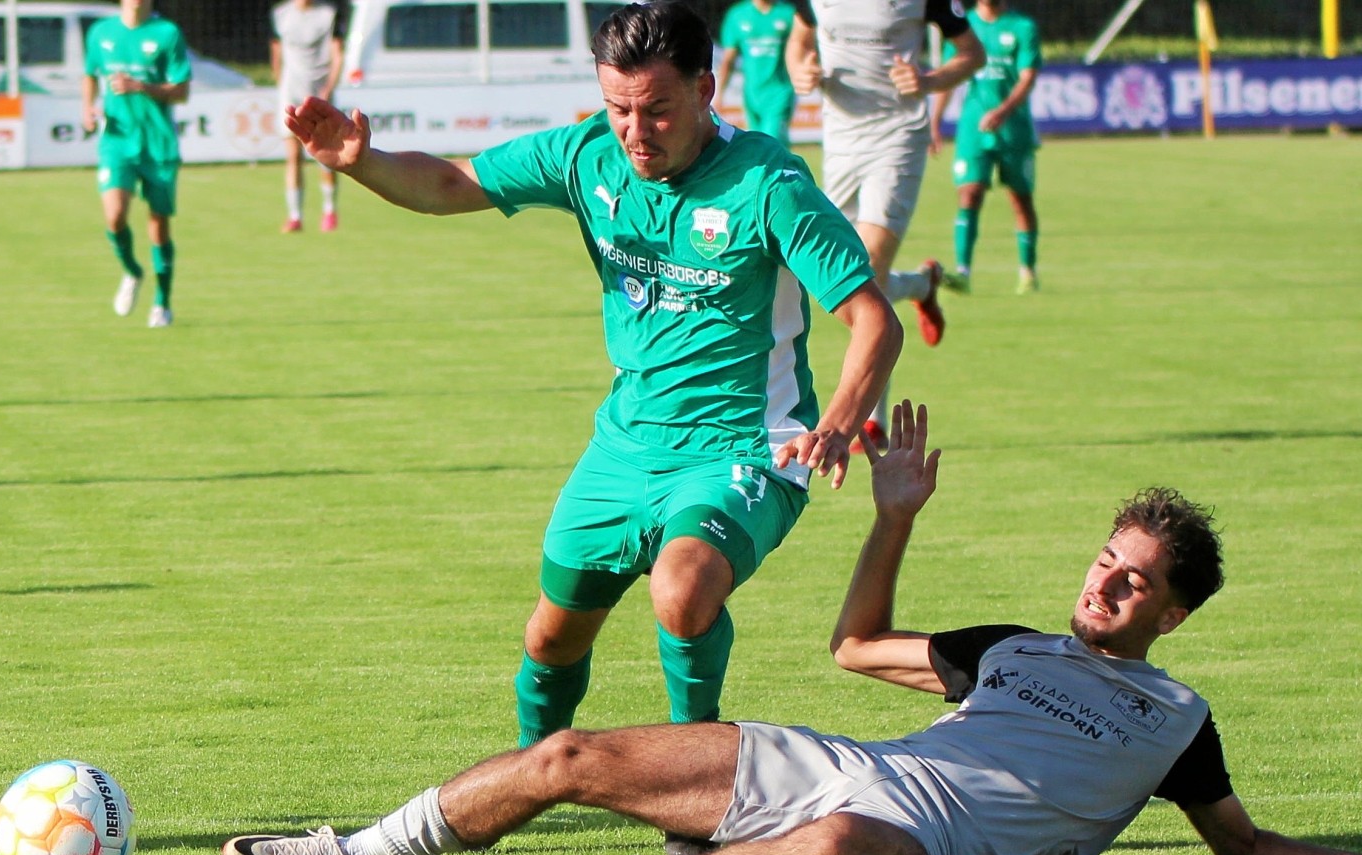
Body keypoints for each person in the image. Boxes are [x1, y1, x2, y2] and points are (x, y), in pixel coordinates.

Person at [220, 400, 1362, 855]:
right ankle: (352, 854)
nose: (1105, 582)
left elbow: (1243, 848)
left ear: (1171, 614)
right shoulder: (1011, 647)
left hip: (937, 844)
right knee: (571, 755)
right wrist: (893, 516)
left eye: (1134, 580)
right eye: (1104, 558)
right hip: (849, 763)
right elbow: (857, 646)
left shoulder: (1176, 716)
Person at [283, 1, 901, 761]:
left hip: (745, 448)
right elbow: (452, 183)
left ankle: (696, 772)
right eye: (618, 108)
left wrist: (836, 423)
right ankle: (529, 775)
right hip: (624, 447)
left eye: (658, 110)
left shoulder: (768, 183)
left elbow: (874, 321)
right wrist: (364, 163)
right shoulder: (588, 155)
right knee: (552, 636)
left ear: (705, 89)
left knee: (681, 590)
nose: (636, 132)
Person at [785, 0, 983, 450]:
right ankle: (921, 284)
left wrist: (928, 81)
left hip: (897, 137)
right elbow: (798, 43)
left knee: (867, 272)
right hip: (840, 142)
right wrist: (800, 71)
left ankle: (870, 420)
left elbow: (973, 53)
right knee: (836, 280)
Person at [81, 0, 191, 329]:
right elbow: (89, 75)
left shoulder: (167, 33)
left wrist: (142, 86)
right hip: (116, 140)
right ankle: (131, 270)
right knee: (114, 216)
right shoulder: (101, 32)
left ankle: (162, 303)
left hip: (158, 144)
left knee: (158, 225)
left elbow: (182, 90)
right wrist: (87, 108)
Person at [930, 0, 1041, 296]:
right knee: (969, 193)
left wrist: (1003, 111)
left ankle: (1028, 271)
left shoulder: (1022, 27)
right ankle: (963, 272)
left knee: (1020, 200)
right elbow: (948, 75)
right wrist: (935, 122)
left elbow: (1028, 77)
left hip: (1014, 129)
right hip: (974, 127)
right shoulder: (963, 25)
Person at [270, 0, 346, 233]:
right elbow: (276, 53)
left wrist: (329, 88)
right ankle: (295, 216)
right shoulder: (280, 14)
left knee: (326, 155)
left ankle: (329, 210)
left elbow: (337, 54)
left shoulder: (328, 14)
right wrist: (281, 84)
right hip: (291, 93)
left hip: (319, 93)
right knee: (293, 155)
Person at [714, 0, 796, 145]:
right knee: (757, 145)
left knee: (772, 142)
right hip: (752, 95)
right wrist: (719, 93)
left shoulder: (787, 13)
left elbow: (801, 48)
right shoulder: (737, 15)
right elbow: (728, 59)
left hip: (779, 92)